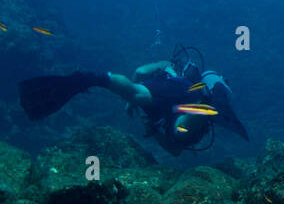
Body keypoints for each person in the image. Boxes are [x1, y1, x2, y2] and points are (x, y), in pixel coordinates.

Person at [18, 46, 247, 156]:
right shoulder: (176, 76)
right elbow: (173, 149)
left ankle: (97, 78)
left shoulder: (168, 68)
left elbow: (138, 71)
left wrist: (132, 103)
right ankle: (202, 107)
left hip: (172, 98)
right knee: (177, 134)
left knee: (141, 97)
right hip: (183, 98)